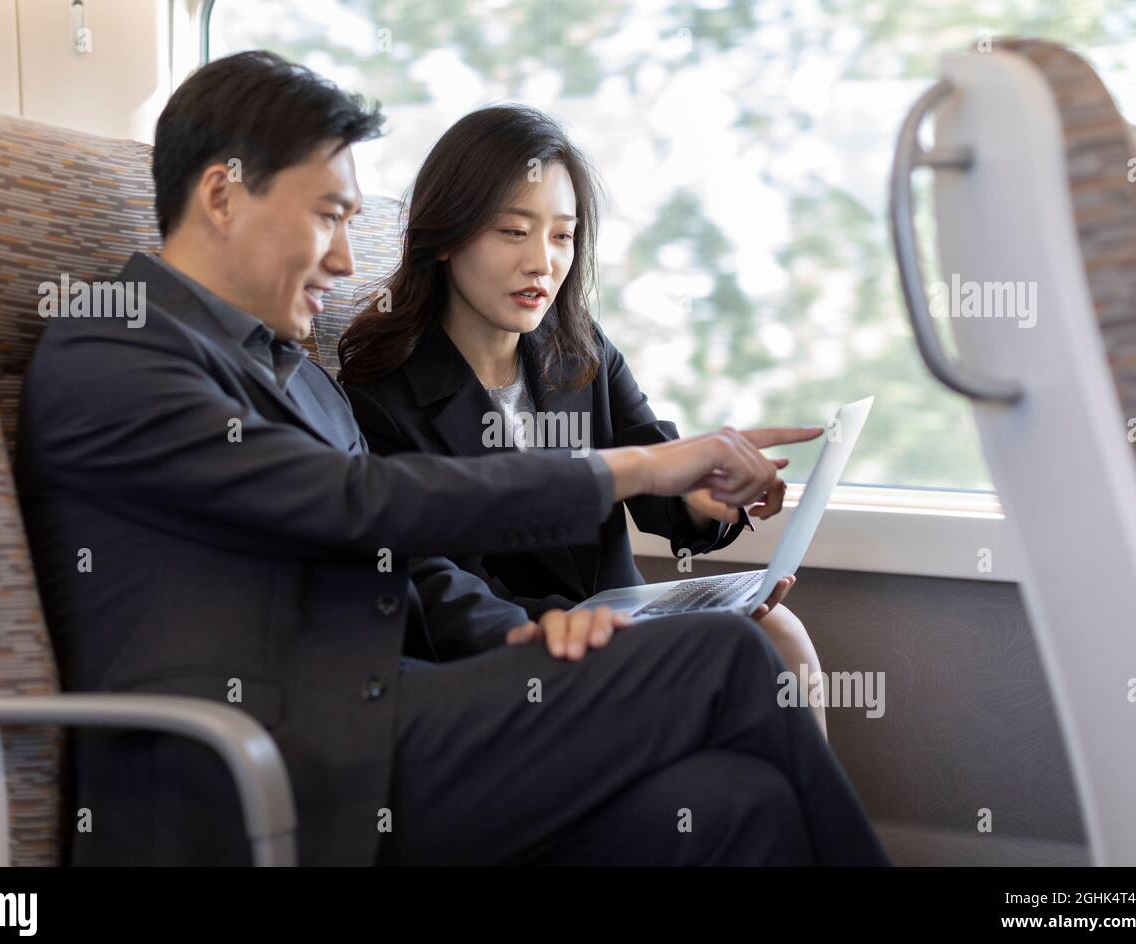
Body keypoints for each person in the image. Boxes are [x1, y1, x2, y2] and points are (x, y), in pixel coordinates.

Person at [15, 50, 888, 865]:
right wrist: (640, 467)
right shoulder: (115, 348)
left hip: (383, 721)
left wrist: (524, 632)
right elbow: (354, 502)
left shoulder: (299, 378)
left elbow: (413, 565)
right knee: (722, 658)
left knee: (734, 799)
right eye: (328, 217)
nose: (348, 260)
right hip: (254, 763)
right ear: (222, 195)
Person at [339, 105, 827, 738]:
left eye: (562, 236)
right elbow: (437, 588)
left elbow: (658, 478)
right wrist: (558, 626)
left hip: (619, 616)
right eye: (515, 231)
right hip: (519, 651)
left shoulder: (580, 351)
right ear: (447, 235)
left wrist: (708, 501)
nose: (542, 262)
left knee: (778, 632)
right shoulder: (380, 395)